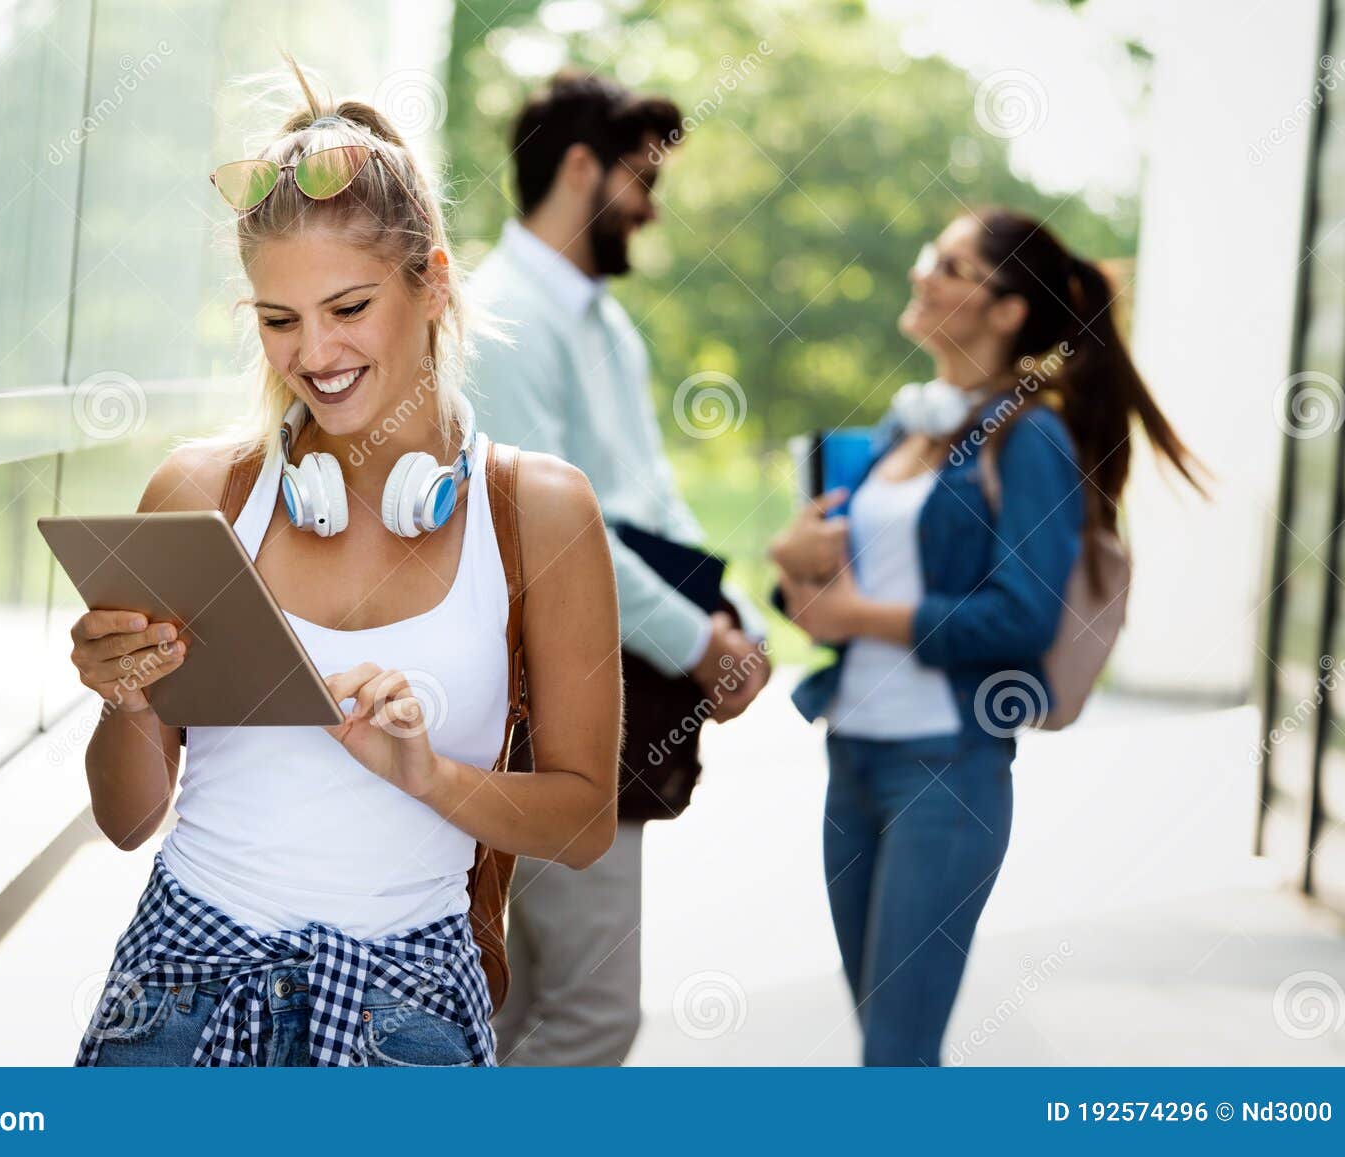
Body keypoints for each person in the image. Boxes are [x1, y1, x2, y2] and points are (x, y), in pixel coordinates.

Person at [68, 56, 622, 1068]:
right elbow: (125, 817)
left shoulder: (539, 510)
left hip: (405, 1014)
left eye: (348, 308)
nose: (313, 353)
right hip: (177, 994)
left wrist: (427, 773)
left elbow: (584, 818)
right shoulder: (201, 493)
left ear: (433, 286)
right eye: (279, 320)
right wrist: (126, 702)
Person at [770, 207, 1207, 1066]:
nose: (921, 273)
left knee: (896, 1054)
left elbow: (1022, 614)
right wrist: (790, 561)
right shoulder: (904, 430)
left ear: (1006, 310)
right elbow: (825, 596)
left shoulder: (1030, 436)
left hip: (945, 770)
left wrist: (859, 614)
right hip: (852, 754)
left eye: (950, 265)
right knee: (882, 1042)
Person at [467, 70, 770, 1067]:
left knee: (528, 1006)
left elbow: (646, 500)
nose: (649, 204)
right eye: (641, 178)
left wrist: (731, 629)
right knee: (591, 1012)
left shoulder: (606, 326)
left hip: (614, 689)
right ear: (581, 165)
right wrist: (695, 643)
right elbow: (555, 533)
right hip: (550, 704)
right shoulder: (504, 315)